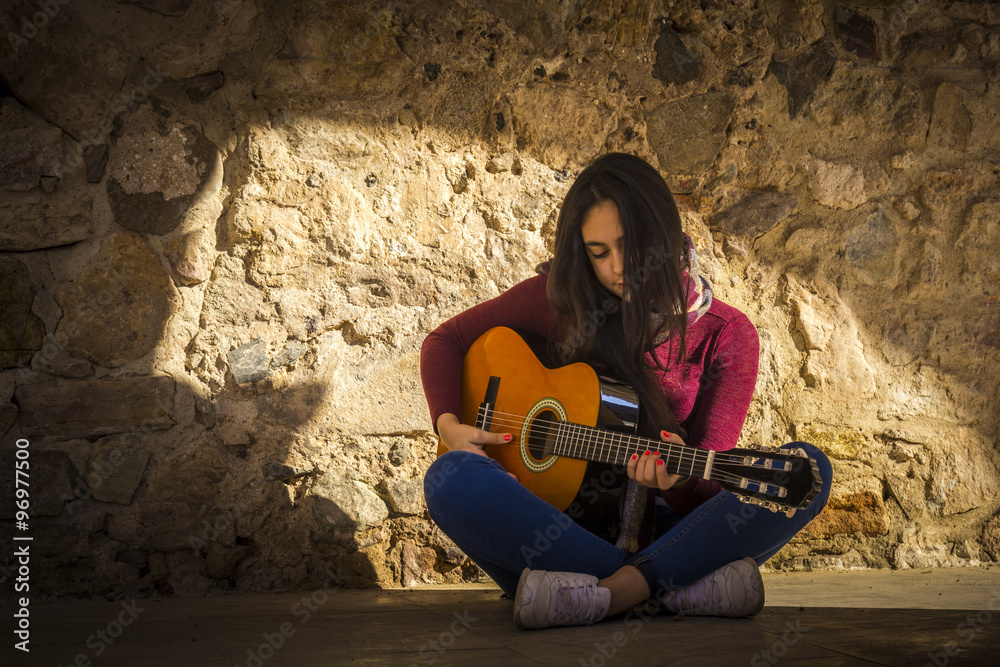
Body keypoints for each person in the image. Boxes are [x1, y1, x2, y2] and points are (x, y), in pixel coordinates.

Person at [420, 152, 832, 630]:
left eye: (629, 245)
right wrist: (450, 427)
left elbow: (710, 488)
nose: (618, 267)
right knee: (449, 478)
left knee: (812, 472)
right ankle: (675, 590)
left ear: (661, 232)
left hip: (673, 533)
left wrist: (679, 482)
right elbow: (445, 342)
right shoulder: (561, 301)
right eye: (598, 253)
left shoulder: (726, 335)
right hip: (563, 536)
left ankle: (605, 595)